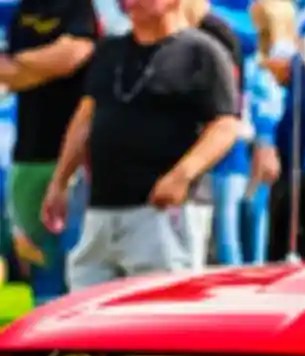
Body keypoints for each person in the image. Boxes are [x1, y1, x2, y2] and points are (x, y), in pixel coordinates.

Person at [40, 0, 240, 289]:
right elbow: (86, 117)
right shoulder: (109, 51)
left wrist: (181, 175)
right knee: (88, 312)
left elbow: (225, 125)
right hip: (102, 211)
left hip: (162, 212)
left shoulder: (203, 53)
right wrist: (60, 181)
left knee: (159, 315)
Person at [0, 0, 99, 304]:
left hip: (77, 155)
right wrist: (48, 62)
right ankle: (46, 324)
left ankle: (77, 327)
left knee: (76, 252)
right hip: (27, 155)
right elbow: (8, 75)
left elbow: (74, 55)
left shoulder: (77, 6)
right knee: (33, 251)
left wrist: (20, 62)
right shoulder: (19, 10)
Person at [184, 0, 281, 266]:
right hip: (240, 149)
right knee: (246, 227)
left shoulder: (252, 61)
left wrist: (265, 140)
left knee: (229, 234)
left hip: (232, 151)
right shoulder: (256, 62)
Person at [251, 0, 305, 261]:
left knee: (272, 204)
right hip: (295, 137)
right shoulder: (292, 58)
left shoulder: (279, 60)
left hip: (284, 139)